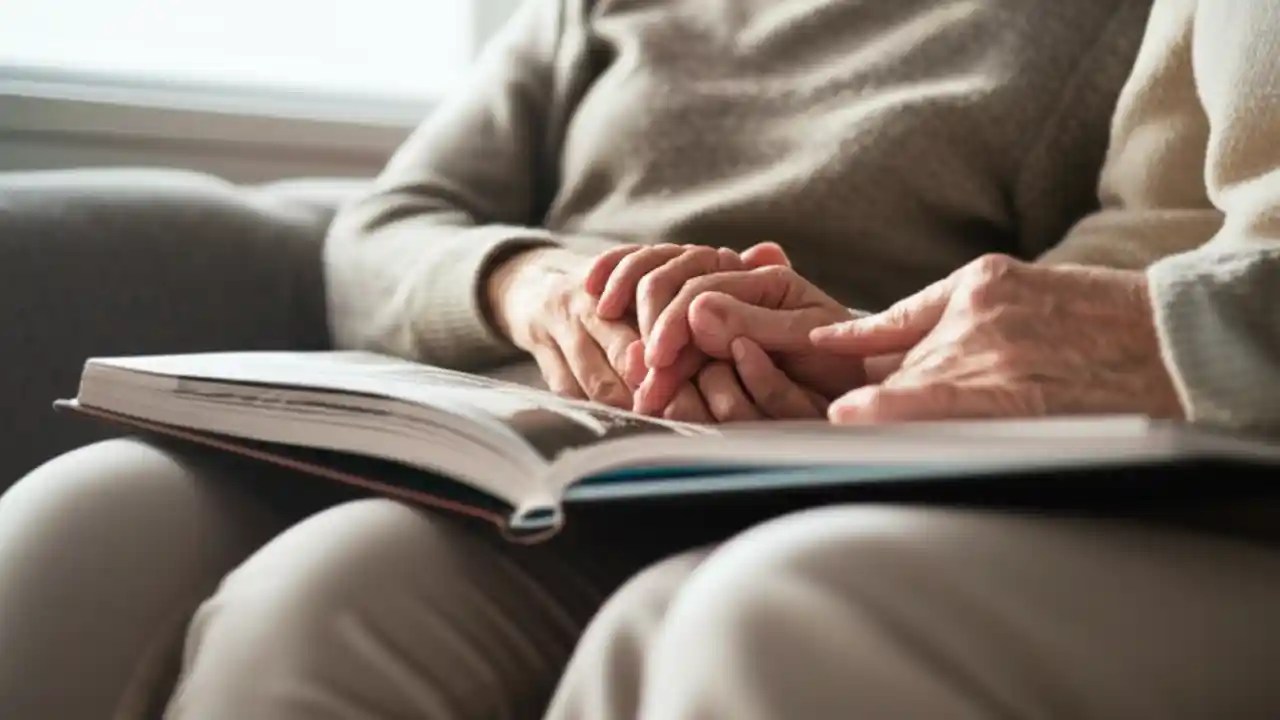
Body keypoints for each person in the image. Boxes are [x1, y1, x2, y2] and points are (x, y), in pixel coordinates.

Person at [0, 1, 1200, 718]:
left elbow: (1073, 315)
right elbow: (379, 227)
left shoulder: (1103, 30)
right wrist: (532, 284)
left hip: (762, 465)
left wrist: (811, 345)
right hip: (474, 421)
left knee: (327, 600)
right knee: (78, 515)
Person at [542, 1, 1280, 717]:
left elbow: (1160, 305)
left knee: (779, 623)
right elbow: (1165, 223)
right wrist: (887, 358)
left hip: (1235, 461)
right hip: (1214, 449)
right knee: (645, 624)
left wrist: (1175, 330)